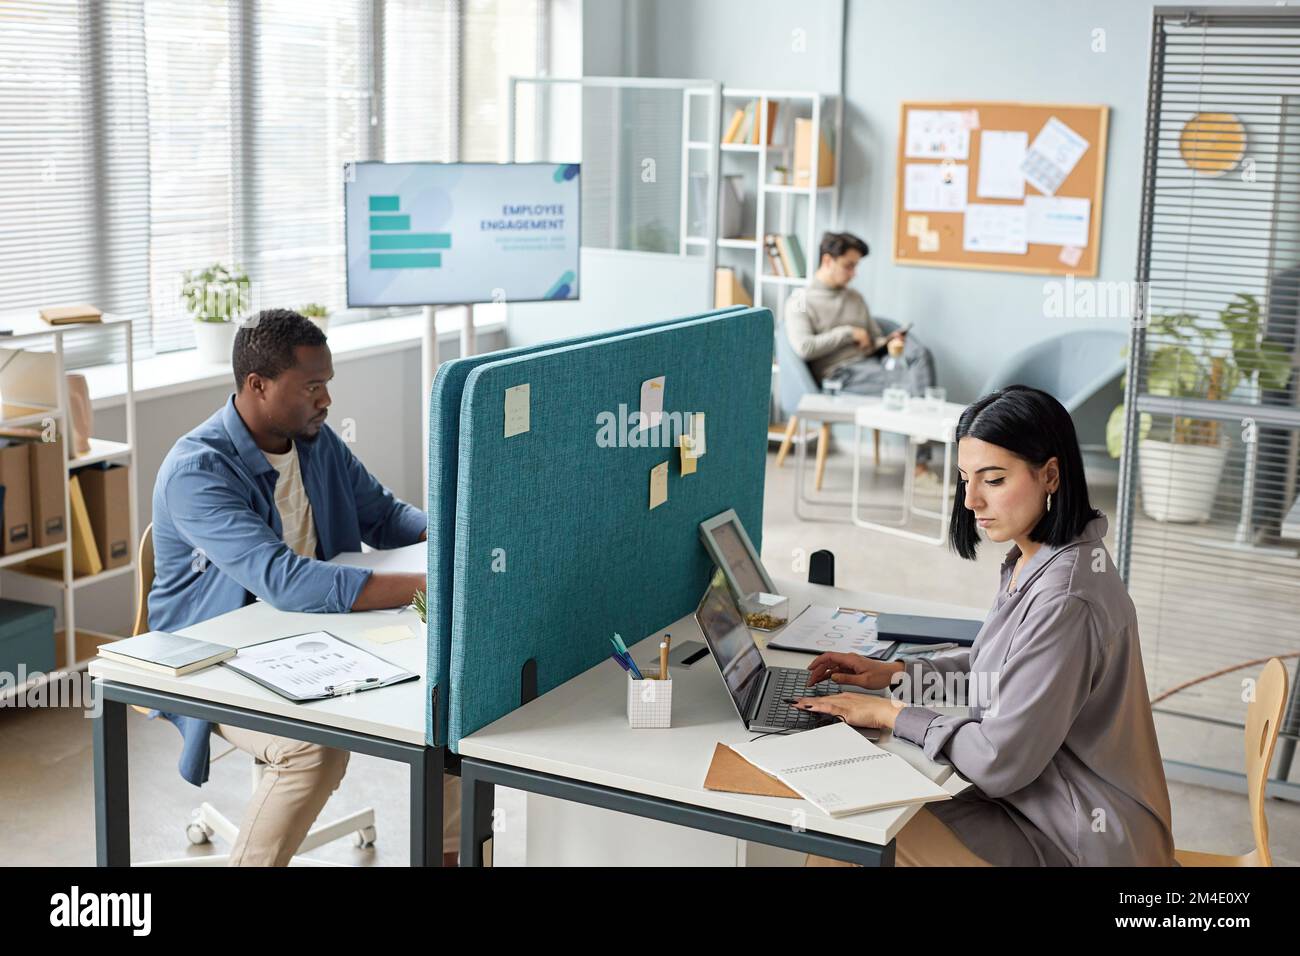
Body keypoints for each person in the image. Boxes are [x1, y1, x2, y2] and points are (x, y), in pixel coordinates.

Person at [797, 386, 1175, 866]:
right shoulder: (1039, 559)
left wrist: (891, 714)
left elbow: (997, 761)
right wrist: (893, 673)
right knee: (861, 818)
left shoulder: (1066, 598)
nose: (972, 499)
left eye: (993, 480)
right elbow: (1000, 670)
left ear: (1051, 475)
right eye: (964, 478)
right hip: (1036, 809)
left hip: (1079, 842)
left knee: (849, 834)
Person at [147, 308, 459, 866]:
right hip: (212, 657)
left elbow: (384, 516)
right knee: (310, 748)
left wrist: (460, 538)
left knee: (449, 709)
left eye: (327, 384)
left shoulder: (314, 441)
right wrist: (430, 586)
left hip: (312, 635)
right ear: (257, 385)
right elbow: (284, 582)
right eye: (312, 386)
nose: (326, 400)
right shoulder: (198, 470)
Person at [783, 231, 939, 477]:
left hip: (871, 364)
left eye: (856, 266)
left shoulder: (855, 297)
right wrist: (848, 333)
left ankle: (920, 459)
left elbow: (872, 339)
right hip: (840, 373)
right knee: (909, 386)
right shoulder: (800, 299)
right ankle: (920, 466)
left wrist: (888, 341)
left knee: (921, 355)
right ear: (827, 261)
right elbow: (804, 347)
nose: (854, 273)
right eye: (849, 266)